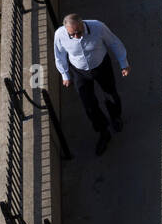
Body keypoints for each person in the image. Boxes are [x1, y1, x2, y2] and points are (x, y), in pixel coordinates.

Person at [53, 13, 129, 156]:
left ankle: (115, 117)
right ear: (66, 30)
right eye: (72, 34)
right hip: (79, 71)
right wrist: (65, 74)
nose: (77, 37)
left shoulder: (97, 26)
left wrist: (123, 62)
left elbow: (113, 42)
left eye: (79, 32)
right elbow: (59, 55)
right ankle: (103, 131)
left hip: (101, 66)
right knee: (89, 104)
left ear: (83, 24)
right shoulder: (60, 35)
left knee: (110, 93)